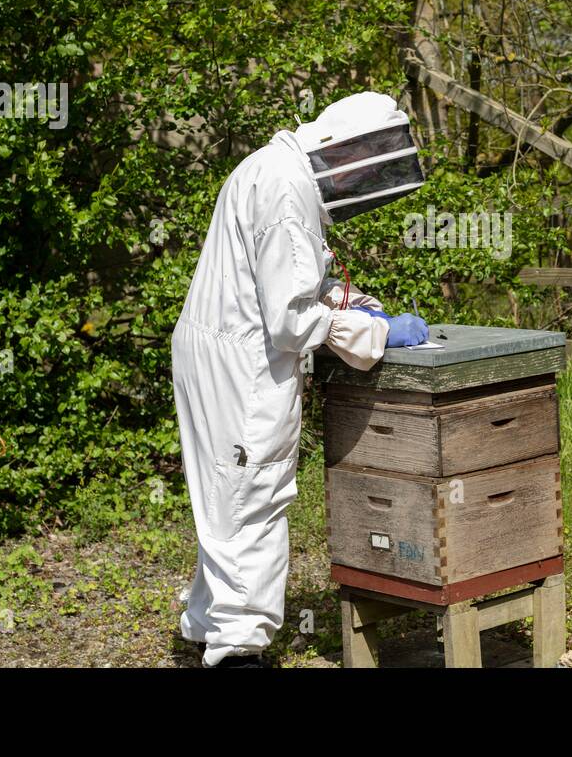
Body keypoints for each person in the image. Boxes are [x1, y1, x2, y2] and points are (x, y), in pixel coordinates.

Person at [172, 91, 430, 667]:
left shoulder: (273, 167)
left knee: (225, 496)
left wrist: (360, 306)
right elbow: (292, 320)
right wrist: (377, 334)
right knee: (252, 497)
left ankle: (202, 624)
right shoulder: (286, 186)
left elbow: (296, 286)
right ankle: (237, 651)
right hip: (243, 367)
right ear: (347, 151)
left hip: (221, 351)